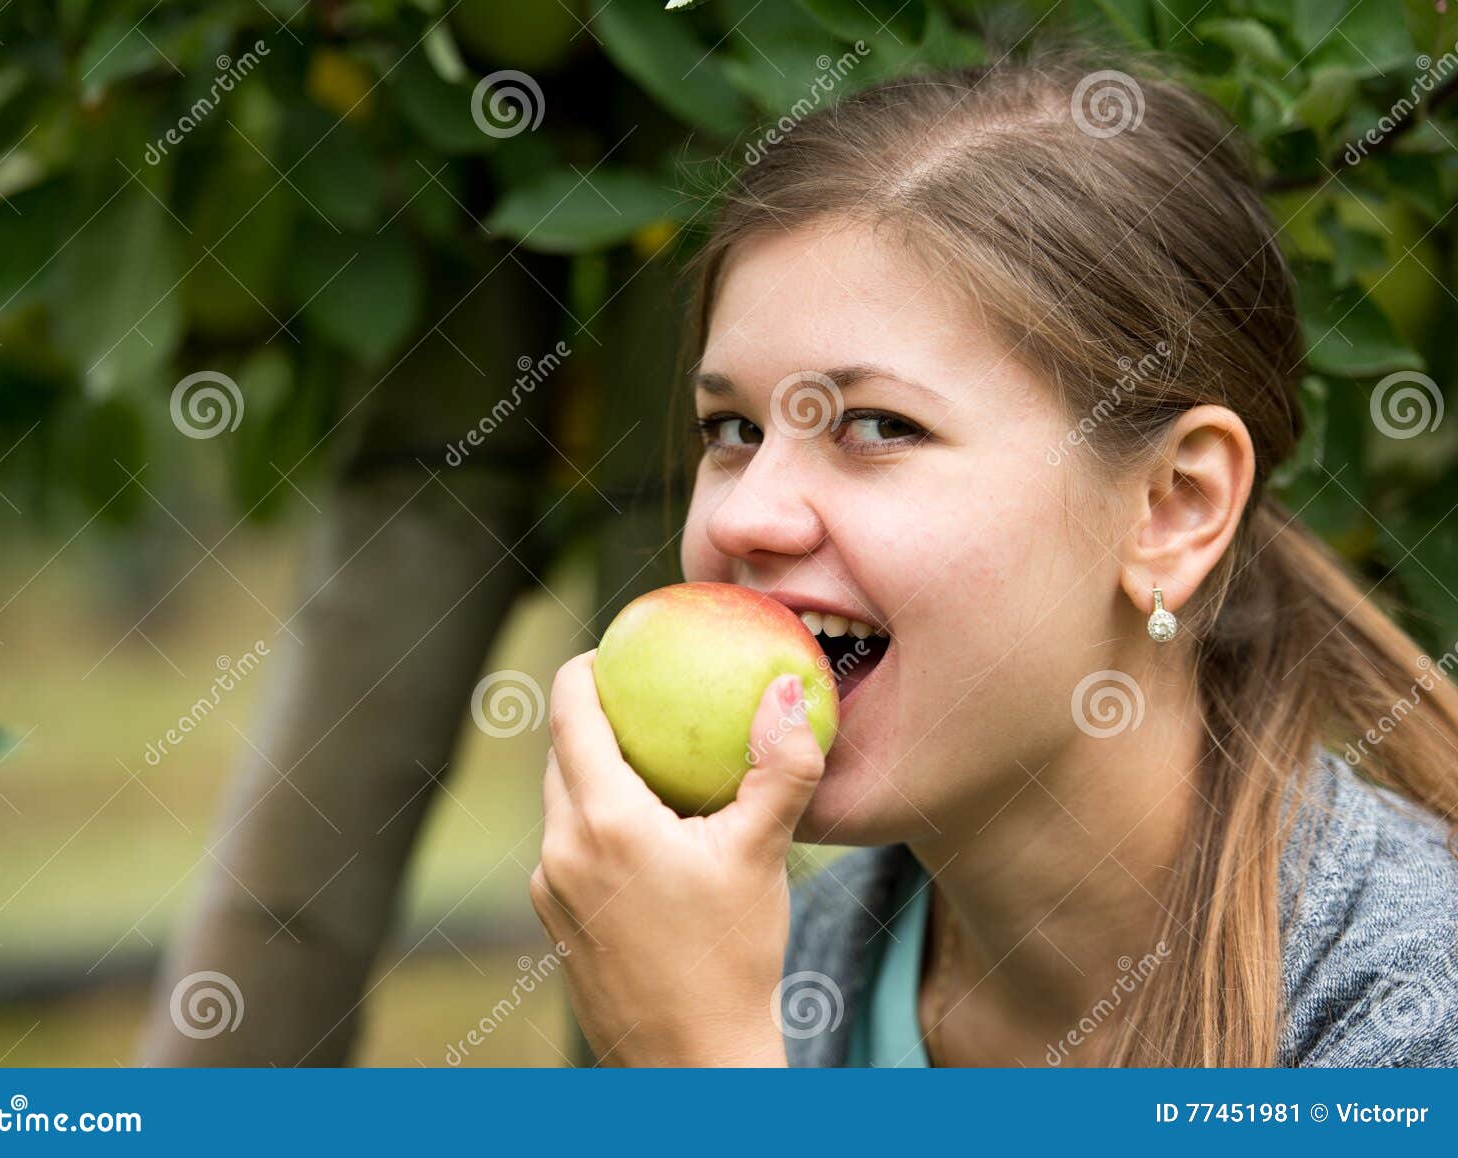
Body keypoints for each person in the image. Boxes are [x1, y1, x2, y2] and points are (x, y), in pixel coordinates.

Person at [526, 49, 1458, 1067]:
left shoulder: (1408, 1006)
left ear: (1171, 508)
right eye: (732, 430)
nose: (748, 516)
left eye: (879, 426)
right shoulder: (792, 964)